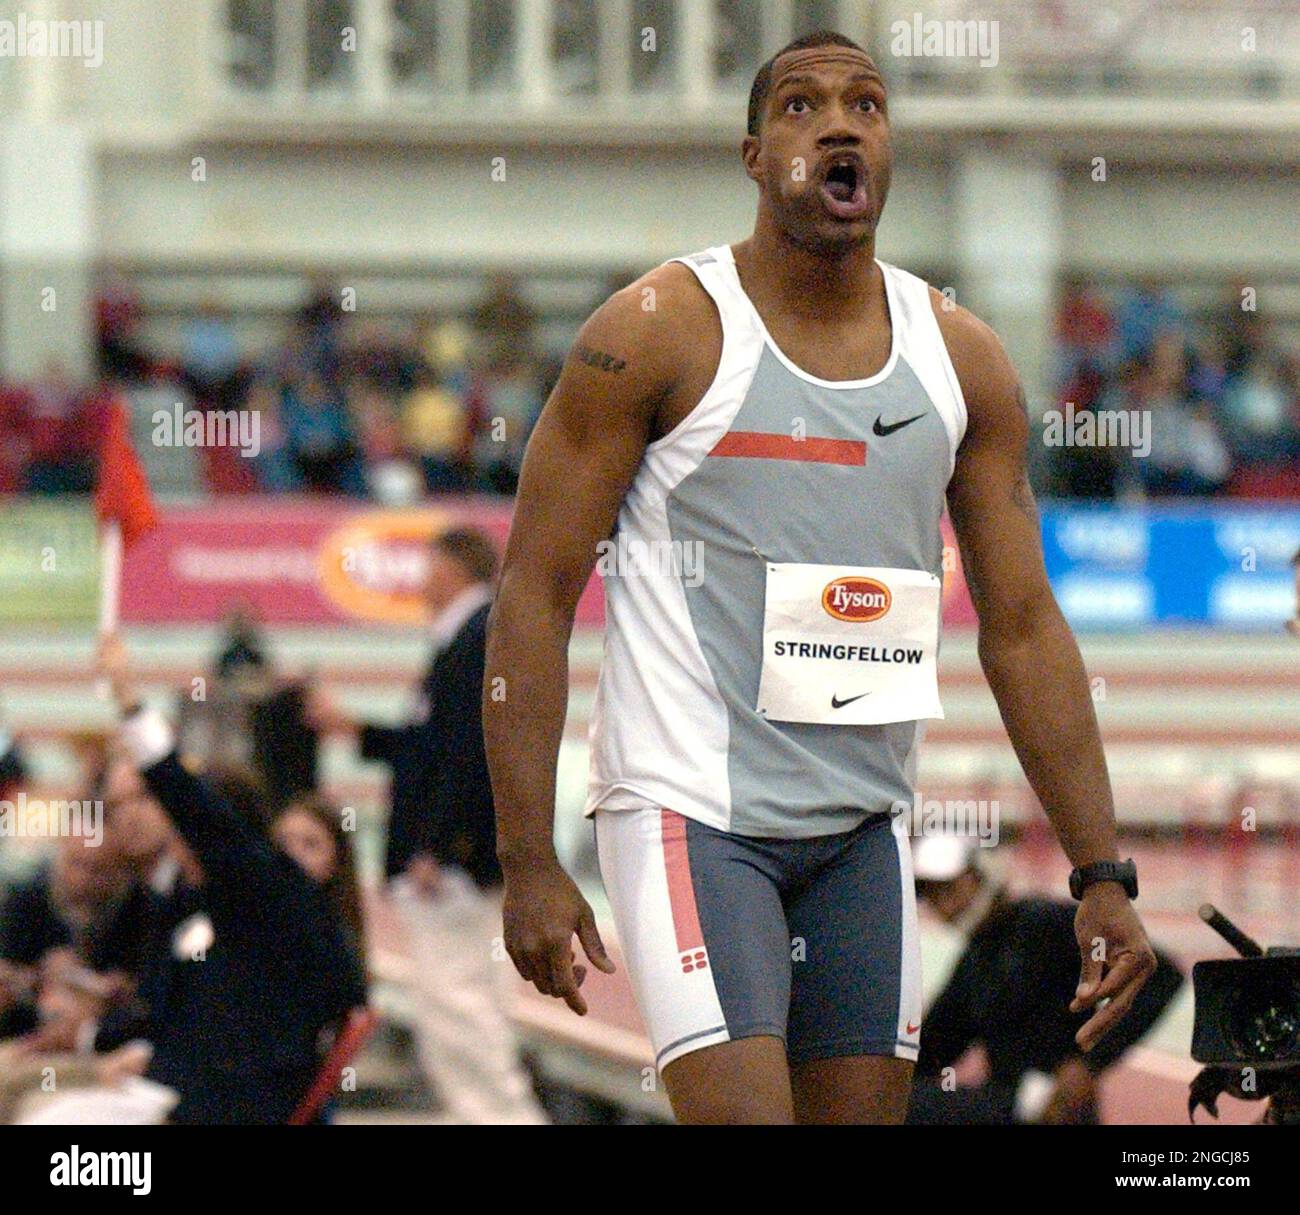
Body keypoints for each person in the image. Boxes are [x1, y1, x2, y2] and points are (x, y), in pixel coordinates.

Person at [483, 30, 1159, 1125]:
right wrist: (526, 859)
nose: (839, 123)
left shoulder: (962, 358)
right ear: (753, 154)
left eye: (867, 105)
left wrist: (1099, 872)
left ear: (887, 149)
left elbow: (1024, 629)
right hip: (689, 813)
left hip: (862, 833)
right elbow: (533, 594)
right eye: (801, 105)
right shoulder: (657, 334)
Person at [311, 527, 547, 1124]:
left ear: (454, 568)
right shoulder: (462, 643)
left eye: (428, 564)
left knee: (463, 1020)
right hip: (452, 859)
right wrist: (354, 729)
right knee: (466, 1019)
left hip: (451, 867)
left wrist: (440, 847)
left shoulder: (476, 640)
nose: (419, 578)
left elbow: (470, 753)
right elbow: (430, 746)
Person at [95, 637, 368, 1124]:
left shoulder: (272, 898)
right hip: (187, 1092)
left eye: (311, 844)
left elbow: (197, 809)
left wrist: (129, 702)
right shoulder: (216, 908)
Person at [906, 835, 1183, 1124]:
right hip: (1007, 1102)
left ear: (983, 873)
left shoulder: (1044, 922)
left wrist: (1089, 1065)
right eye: (933, 897)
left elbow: (1158, 975)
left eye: (949, 889)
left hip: (1051, 1108)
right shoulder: (977, 957)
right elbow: (937, 1044)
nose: (944, 906)